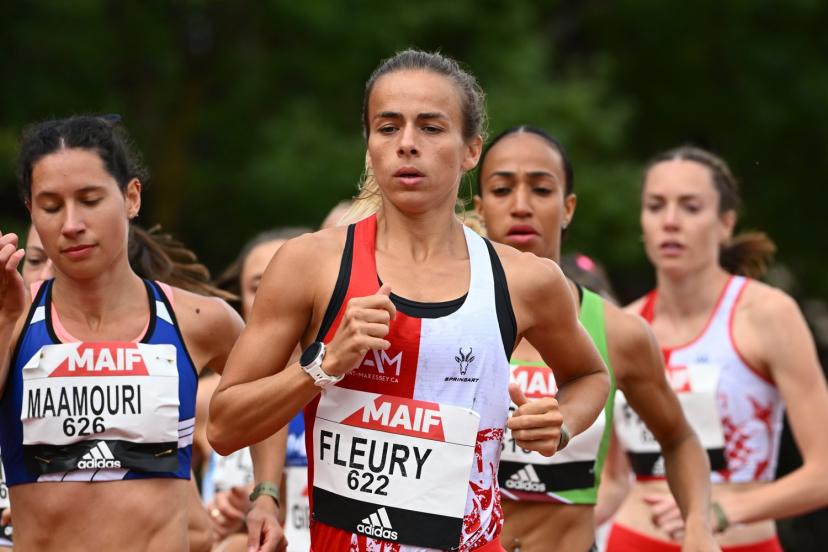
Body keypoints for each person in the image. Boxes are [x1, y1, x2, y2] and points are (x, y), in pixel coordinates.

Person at [209, 49, 610, 551]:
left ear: (471, 151)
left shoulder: (524, 280)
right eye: (388, 127)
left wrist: (563, 423)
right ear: (369, 144)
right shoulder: (309, 265)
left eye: (431, 128)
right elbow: (224, 427)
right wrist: (324, 365)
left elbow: (591, 376)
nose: (407, 145)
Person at [0, 115, 284, 552]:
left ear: (131, 197)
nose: (71, 223)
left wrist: (266, 495)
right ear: (30, 209)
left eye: (90, 199)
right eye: (51, 206)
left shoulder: (197, 319)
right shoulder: (13, 322)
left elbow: (266, 392)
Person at [474, 126, 716, 552]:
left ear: (568, 208)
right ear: (480, 207)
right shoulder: (440, 319)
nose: (521, 206)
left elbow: (679, 438)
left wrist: (698, 526)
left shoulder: (619, 333)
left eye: (541, 189)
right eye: (501, 189)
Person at [604, 145, 828, 551]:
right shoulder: (626, 325)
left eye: (690, 207)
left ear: (725, 223)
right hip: (633, 540)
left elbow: (824, 473)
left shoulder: (767, 314)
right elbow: (611, 478)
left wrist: (719, 511)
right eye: (656, 206)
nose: (670, 222)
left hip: (735, 543)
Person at [196, 228, 311, 552]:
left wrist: (265, 498)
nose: (280, 295)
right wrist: (206, 518)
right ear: (242, 300)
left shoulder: (349, 394)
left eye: (295, 283)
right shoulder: (208, 398)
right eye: (260, 286)